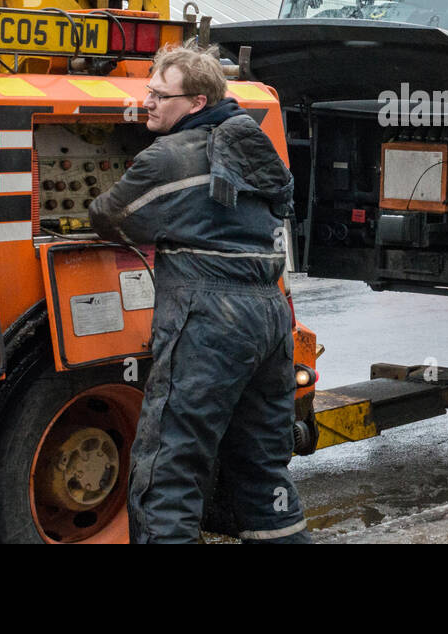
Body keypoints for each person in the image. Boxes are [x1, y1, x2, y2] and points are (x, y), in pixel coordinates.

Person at [88, 42, 310, 544]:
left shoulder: (167, 157)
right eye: (148, 91)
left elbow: (108, 216)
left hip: (209, 320)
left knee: (170, 467)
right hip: (270, 317)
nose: (147, 102)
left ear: (196, 104)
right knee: (262, 468)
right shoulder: (256, 146)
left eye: (161, 96)